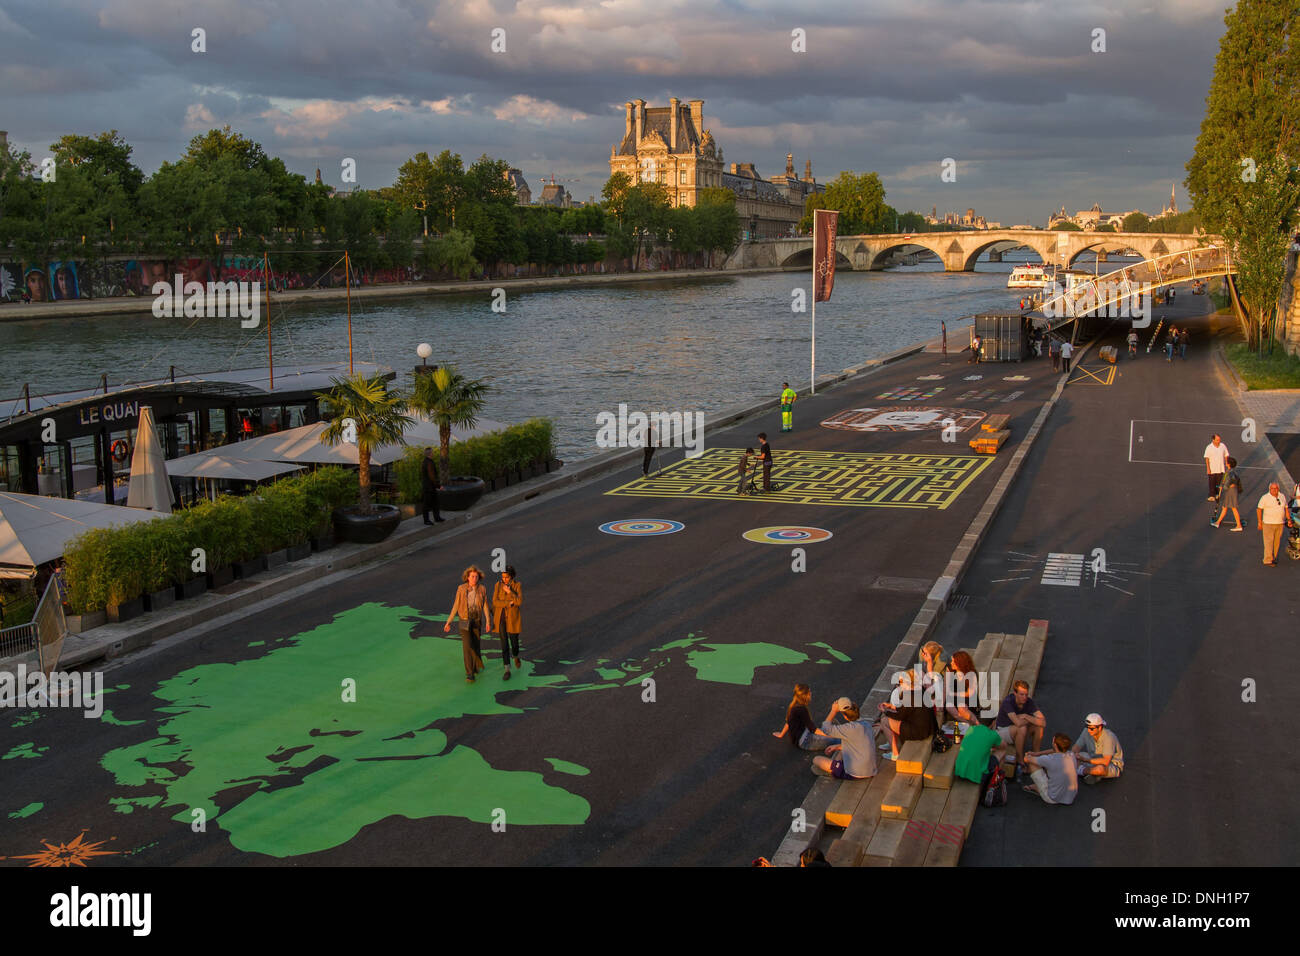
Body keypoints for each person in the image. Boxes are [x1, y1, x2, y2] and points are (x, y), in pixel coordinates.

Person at [444, 565, 492, 682]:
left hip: (476, 621)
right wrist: (448, 622)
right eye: (472, 576)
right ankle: (469, 673)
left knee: (476, 645)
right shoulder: (461, 588)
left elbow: (485, 605)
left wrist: (488, 621)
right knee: (467, 647)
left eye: (476, 577)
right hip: (465, 621)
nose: (474, 579)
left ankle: (476, 667)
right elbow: (456, 605)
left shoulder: (482, 589)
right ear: (467, 577)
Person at [876, 669, 937, 760]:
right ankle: (891, 741)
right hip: (927, 727)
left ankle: (895, 753)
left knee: (884, 721)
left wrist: (885, 711)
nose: (899, 684)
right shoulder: (919, 690)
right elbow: (907, 710)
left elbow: (900, 716)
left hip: (919, 732)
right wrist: (892, 707)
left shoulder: (909, 695)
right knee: (890, 716)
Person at [812, 697, 879, 780]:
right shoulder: (866, 724)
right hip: (871, 770)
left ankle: (835, 771)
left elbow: (826, 728)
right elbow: (858, 744)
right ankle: (836, 766)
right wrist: (837, 746)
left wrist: (833, 711)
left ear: (845, 717)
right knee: (843, 747)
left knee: (816, 760)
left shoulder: (848, 729)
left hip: (855, 773)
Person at [994, 679, 1046, 779]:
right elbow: (1017, 723)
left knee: (1038, 727)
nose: (1024, 697)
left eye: (1026, 694)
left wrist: (1026, 716)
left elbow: (1043, 722)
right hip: (1002, 731)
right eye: (1021, 694)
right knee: (1021, 728)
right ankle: (1020, 761)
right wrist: (1033, 720)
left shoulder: (1029, 702)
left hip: (1018, 730)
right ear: (1015, 693)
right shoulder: (1008, 702)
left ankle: (1036, 756)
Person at [773, 683, 838, 751]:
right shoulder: (801, 710)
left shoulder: (793, 706)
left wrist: (781, 734)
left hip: (803, 735)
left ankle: (838, 734)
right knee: (837, 740)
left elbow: (788, 722)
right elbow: (813, 729)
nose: (811, 693)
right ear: (805, 696)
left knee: (833, 722)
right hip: (806, 741)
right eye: (809, 692)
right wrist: (828, 736)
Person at [954, 717, 1007, 799]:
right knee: (1002, 751)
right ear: (993, 723)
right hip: (977, 776)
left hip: (960, 771)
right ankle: (996, 780)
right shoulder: (992, 734)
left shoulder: (971, 728)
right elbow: (1004, 746)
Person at [1022, 733, 1079, 805]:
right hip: (1070, 797)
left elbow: (1027, 759)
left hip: (1053, 798)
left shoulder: (1049, 760)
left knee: (1033, 764)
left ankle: (1040, 788)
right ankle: (1038, 786)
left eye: (1053, 741)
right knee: (1051, 768)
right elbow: (1053, 751)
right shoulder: (1071, 754)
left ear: (1055, 745)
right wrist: (1037, 754)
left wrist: (1028, 755)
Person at [1072, 713, 1124, 783]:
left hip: (1110, 765)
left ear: (1099, 727)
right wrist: (1074, 755)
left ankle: (1082, 771)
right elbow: (1075, 748)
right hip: (1092, 759)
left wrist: (1084, 760)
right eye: (1087, 726)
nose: (1088, 730)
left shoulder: (1109, 737)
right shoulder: (1086, 731)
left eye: (1091, 728)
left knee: (1100, 769)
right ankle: (1092, 773)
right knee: (1073, 756)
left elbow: (1106, 761)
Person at [493, 565, 523, 680]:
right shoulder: (497, 585)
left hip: (513, 619)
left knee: (514, 643)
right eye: (503, 577)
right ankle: (507, 669)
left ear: (511, 576)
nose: (504, 579)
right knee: (504, 644)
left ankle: (515, 655)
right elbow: (495, 602)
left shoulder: (517, 585)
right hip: (501, 618)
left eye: (506, 577)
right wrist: (508, 603)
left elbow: (519, 601)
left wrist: (510, 592)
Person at [1257, 481, 1294, 567]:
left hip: (1280, 523)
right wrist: (1260, 522)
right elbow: (1259, 509)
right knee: (1268, 542)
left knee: (1277, 541)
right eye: (1272, 488)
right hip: (1268, 523)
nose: (1274, 490)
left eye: (1276, 488)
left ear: (1278, 489)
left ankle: (1273, 557)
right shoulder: (1265, 497)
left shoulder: (1282, 496)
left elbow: (1286, 509)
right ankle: (1267, 560)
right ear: (1269, 489)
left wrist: (1289, 520)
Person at [944, 650, 982, 725]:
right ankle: (969, 725)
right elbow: (946, 687)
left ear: (960, 663)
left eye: (953, 661)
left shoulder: (972, 673)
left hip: (968, 697)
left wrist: (953, 694)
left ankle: (978, 726)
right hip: (954, 698)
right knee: (949, 706)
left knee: (962, 708)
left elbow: (969, 693)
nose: (951, 663)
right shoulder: (949, 670)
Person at [1211, 456, 1244, 531]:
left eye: (1227, 462)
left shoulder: (1230, 472)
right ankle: (1217, 522)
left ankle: (1239, 525)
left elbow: (1230, 481)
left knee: (1233, 508)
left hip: (1230, 492)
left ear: (1229, 464)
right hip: (1231, 491)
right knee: (1225, 507)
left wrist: (1223, 487)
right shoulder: (1230, 471)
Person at [421, 447, 445, 524]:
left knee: (435, 503)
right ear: (430, 454)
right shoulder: (428, 463)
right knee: (427, 504)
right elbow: (432, 476)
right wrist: (438, 486)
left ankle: (437, 517)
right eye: (432, 452)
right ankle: (426, 520)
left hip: (429, 486)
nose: (433, 453)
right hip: (429, 487)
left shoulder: (427, 461)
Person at [1203, 434, 1230, 502]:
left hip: (1220, 468)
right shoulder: (1209, 447)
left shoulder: (1223, 446)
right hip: (1212, 469)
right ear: (1213, 440)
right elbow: (1207, 458)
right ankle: (1212, 495)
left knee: (1218, 483)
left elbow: (1226, 455)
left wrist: (1226, 462)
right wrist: (1208, 468)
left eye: (1219, 439)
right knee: (1212, 483)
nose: (1219, 441)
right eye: (1217, 440)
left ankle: (1217, 494)